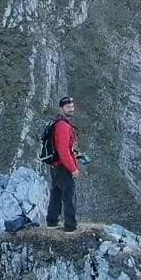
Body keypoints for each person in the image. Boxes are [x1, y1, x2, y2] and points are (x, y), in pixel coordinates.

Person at [42, 96, 80, 232]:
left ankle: (52, 221)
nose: (71, 109)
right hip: (63, 166)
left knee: (56, 193)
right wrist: (73, 168)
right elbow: (63, 151)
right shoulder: (63, 126)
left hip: (56, 165)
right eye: (68, 107)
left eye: (72, 106)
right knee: (69, 196)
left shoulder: (59, 124)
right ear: (62, 108)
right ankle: (70, 225)